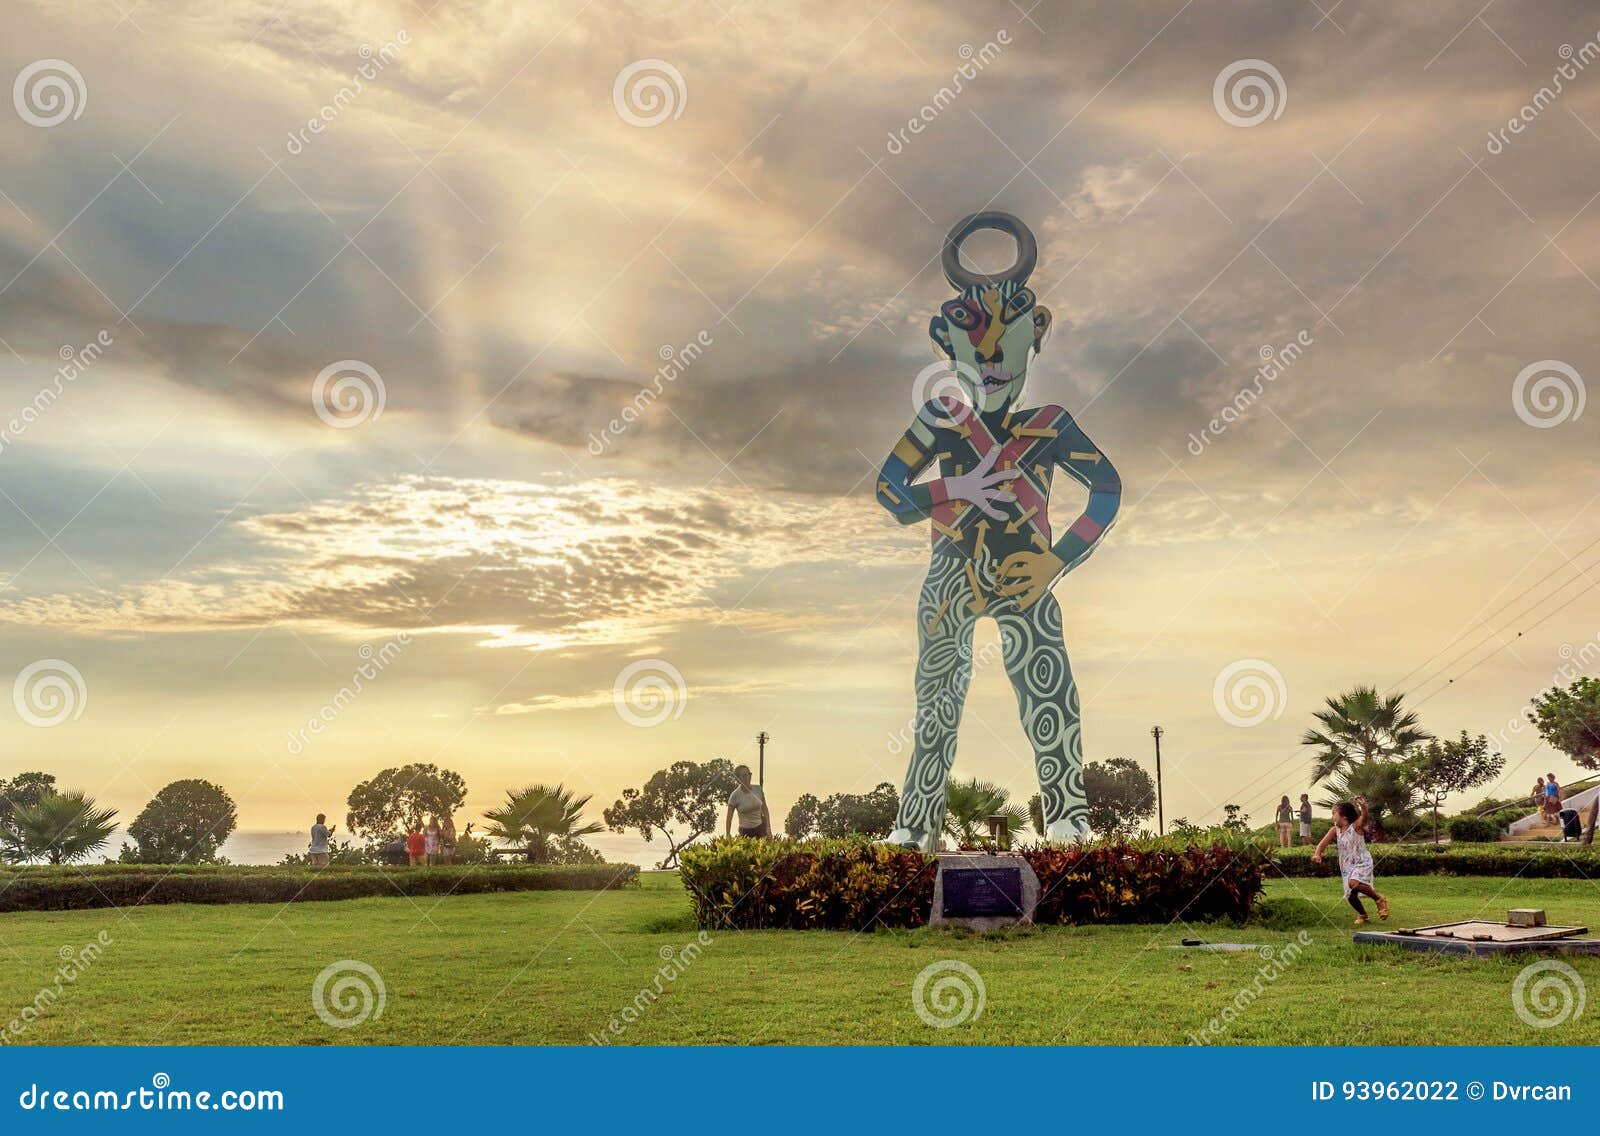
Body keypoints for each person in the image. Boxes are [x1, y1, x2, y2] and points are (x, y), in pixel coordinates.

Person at [1312, 795, 1389, 926]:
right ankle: (1363, 914)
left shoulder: (1355, 827)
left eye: (1333, 814)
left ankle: (1379, 899)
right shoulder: (1334, 830)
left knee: (1354, 883)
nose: (1332, 817)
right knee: (1351, 895)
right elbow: (1322, 843)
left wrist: (1363, 807)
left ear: (1344, 817)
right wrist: (1317, 854)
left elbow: (1364, 818)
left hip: (1361, 861)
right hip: (1346, 865)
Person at [724, 765, 770, 838]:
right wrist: (728, 834)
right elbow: (729, 818)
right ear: (738, 779)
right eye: (744, 775)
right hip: (745, 832)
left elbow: (765, 809)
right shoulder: (735, 796)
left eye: (749, 774)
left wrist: (768, 828)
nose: (748, 777)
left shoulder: (758, 789)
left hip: (760, 829)